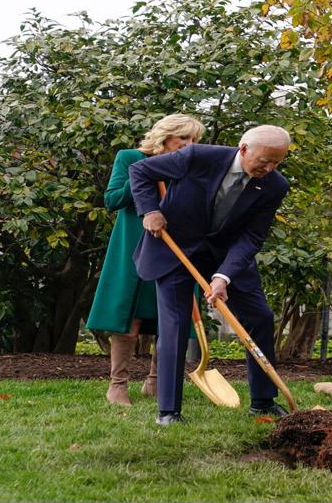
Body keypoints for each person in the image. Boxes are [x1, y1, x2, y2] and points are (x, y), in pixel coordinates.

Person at [129, 124, 292, 425]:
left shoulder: (274, 186)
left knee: (259, 317)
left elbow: (251, 237)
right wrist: (149, 210)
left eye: (277, 163)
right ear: (243, 149)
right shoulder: (197, 157)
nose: (269, 168)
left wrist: (223, 277)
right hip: (176, 249)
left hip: (226, 254)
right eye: (264, 161)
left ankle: (263, 401)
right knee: (175, 326)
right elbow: (141, 171)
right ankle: (169, 412)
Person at [87, 113, 203, 405]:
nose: (190, 145)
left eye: (194, 140)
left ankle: (155, 382)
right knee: (131, 314)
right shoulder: (129, 157)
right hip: (133, 243)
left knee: (171, 315)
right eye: (184, 139)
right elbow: (113, 200)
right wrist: (146, 169)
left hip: (175, 245)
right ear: (165, 138)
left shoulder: (189, 165)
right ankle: (117, 385)